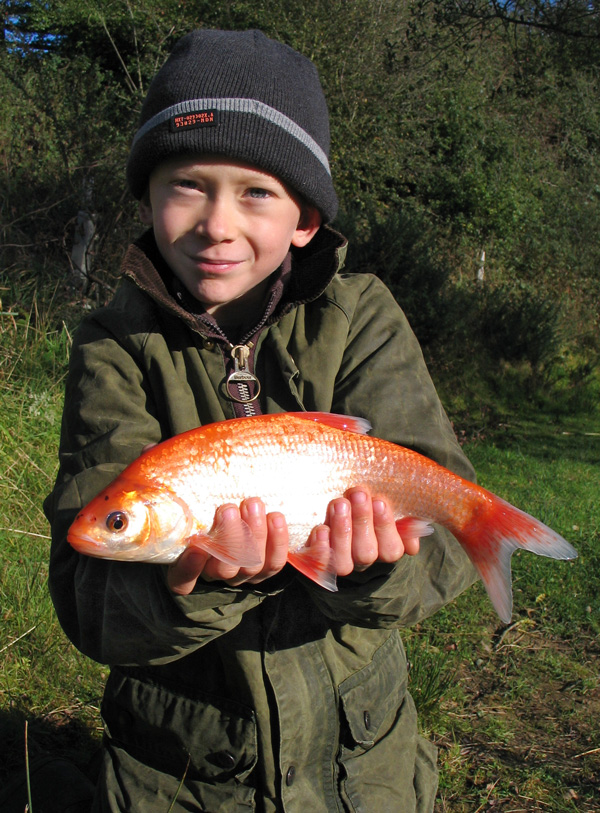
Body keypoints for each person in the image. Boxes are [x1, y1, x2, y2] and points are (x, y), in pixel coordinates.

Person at [44, 29, 477, 813]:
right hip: (177, 770)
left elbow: (442, 555)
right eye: (186, 185)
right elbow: (91, 605)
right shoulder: (115, 348)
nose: (217, 223)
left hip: (362, 759)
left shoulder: (362, 315)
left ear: (306, 217)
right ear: (147, 196)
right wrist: (198, 582)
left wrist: (376, 566)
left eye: (256, 192)